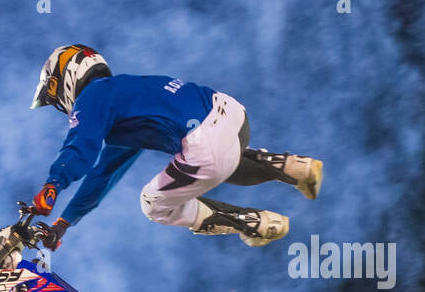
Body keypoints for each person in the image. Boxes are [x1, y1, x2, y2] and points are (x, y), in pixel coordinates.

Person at [28, 44, 322, 249]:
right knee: (220, 159)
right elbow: (104, 174)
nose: (58, 104)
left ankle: (253, 223)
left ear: (66, 75)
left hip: (206, 143)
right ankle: (293, 166)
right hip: (231, 112)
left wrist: (53, 184)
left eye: (54, 96)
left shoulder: (92, 96)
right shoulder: (124, 94)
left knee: (153, 204)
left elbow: (81, 148)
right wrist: (64, 223)